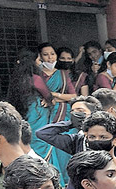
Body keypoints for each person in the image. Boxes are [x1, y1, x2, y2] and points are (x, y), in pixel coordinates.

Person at [17, 45, 76, 179]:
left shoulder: (63, 74)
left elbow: (73, 96)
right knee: (42, 142)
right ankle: (48, 177)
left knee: (61, 146)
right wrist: (50, 98)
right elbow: (47, 96)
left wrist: (55, 96)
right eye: (45, 55)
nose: (50, 58)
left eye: (52, 54)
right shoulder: (37, 76)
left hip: (61, 114)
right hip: (40, 114)